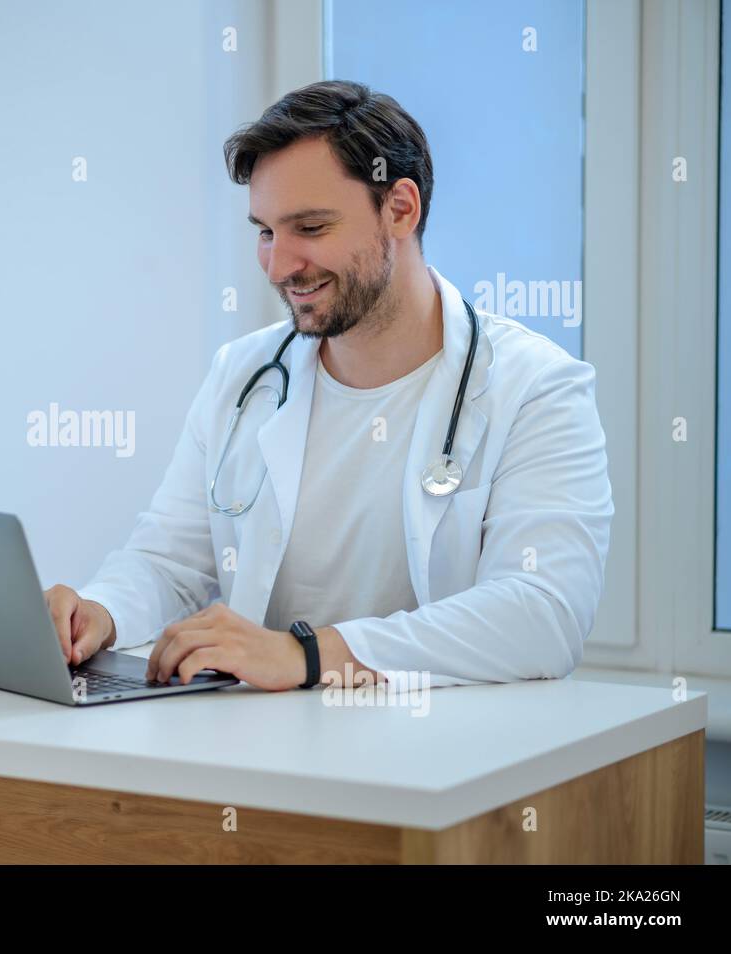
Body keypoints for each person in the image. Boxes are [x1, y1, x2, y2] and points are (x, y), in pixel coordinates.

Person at [42, 80, 613, 692]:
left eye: (310, 228)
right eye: (265, 231)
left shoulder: (536, 388)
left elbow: (543, 613)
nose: (279, 265)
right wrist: (99, 613)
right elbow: (168, 561)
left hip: (442, 762)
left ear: (400, 208)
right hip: (263, 755)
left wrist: (308, 655)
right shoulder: (243, 376)